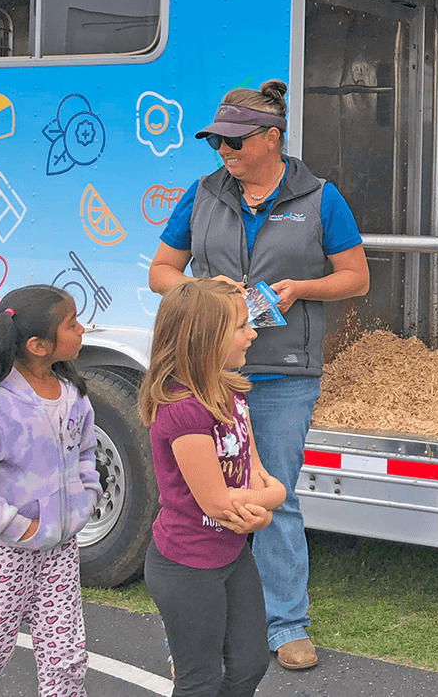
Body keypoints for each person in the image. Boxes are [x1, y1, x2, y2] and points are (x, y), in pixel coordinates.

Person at [148, 79, 368, 670]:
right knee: (200, 498)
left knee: (277, 494)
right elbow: (161, 272)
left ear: (272, 139)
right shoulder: (202, 194)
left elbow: (357, 277)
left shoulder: (322, 197)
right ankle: (207, 615)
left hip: (285, 371)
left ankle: (286, 622)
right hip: (206, 372)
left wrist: (304, 289)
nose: (223, 150)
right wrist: (201, 289)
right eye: (217, 141)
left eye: (234, 141)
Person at [0, 285, 99, 697]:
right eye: (72, 323)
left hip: (59, 552)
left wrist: (85, 501)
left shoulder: (75, 398)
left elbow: (86, 456)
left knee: (66, 656)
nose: (83, 329)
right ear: (38, 345)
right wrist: (20, 528)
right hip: (0, 556)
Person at [139, 278, 287, 697]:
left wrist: (264, 502)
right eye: (242, 326)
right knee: (199, 681)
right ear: (205, 338)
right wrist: (271, 501)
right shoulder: (183, 408)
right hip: (186, 566)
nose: (252, 333)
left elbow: (256, 474)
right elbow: (220, 501)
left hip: (231, 552)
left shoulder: (232, 391)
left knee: (249, 665)